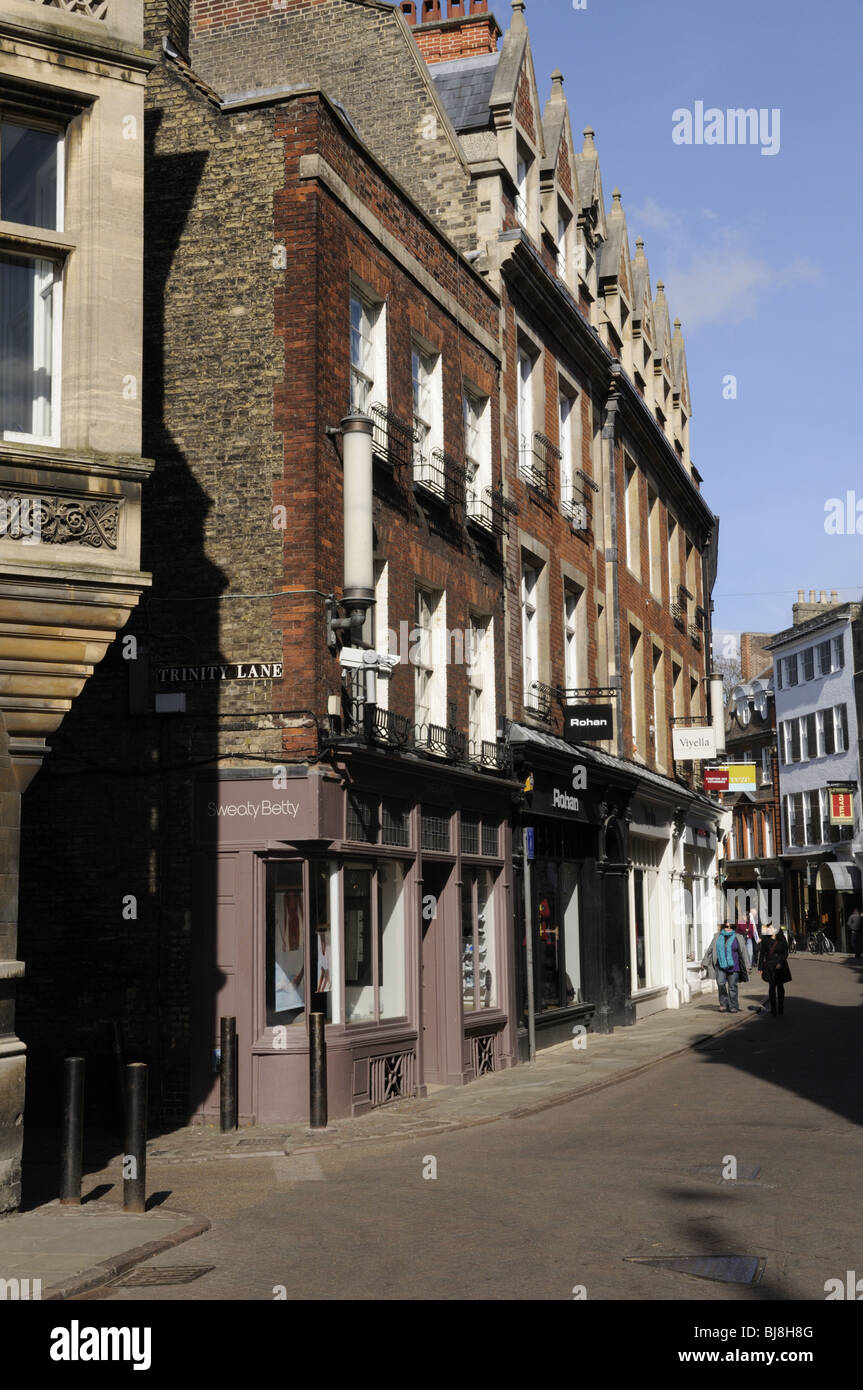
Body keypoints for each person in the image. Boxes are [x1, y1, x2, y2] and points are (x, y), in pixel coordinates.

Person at [701, 921, 749, 1013]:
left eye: (731, 927)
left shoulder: (738, 937)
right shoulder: (717, 936)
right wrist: (704, 961)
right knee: (720, 983)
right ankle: (723, 1003)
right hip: (720, 965)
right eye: (726, 926)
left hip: (734, 965)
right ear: (723, 927)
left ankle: (733, 1005)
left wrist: (747, 966)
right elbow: (710, 949)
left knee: (732, 986)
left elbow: (744, 952)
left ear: (733, 928)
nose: (728, 928)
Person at [758, 922, 791, 1016]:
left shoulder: (782, 938)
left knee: (780, 986)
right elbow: (762, 954)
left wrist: (780, 962)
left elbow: (785, 952)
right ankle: (773, 1008)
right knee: (771, 987)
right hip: (769, 965)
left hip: (780, 965)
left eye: (771, 928)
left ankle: (781, 1006)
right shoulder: (765, 940)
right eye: (768, 928)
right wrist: (760, 967)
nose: (769, 929)